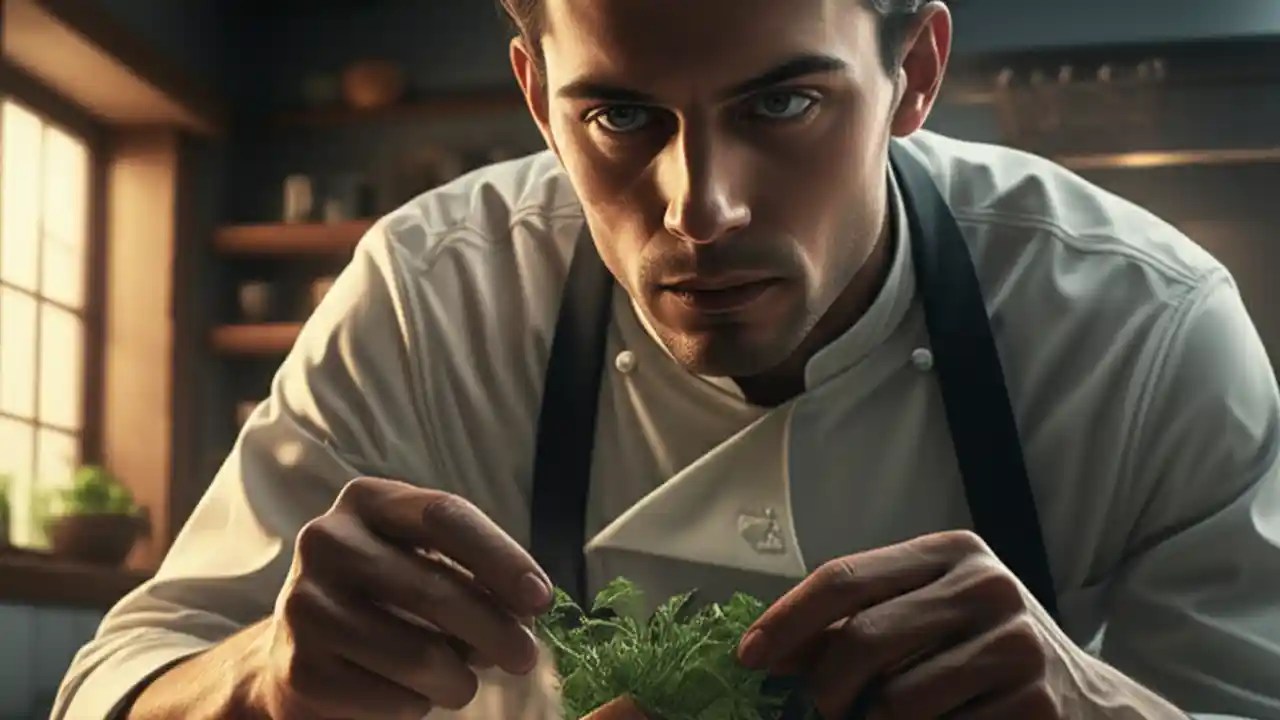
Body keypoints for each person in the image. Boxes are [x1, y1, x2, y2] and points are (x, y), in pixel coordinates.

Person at [54, 0, 1280, 718]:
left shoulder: (1140, 320)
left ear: (911, 74)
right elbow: (109, 685)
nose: (700, 210)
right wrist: (260, 677)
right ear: (535, 94)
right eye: (620, 117)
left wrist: (1098, 707)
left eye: (784, 106)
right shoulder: (430, 293)